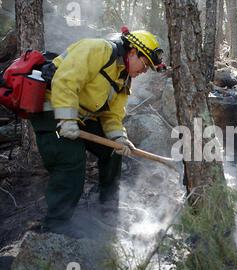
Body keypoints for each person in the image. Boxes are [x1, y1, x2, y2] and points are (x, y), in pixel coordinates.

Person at [30, 27, 165, 238]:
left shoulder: (124, 78)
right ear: (132, 52)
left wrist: (118, 138)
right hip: (52, 109)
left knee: (113, 151)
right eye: (145, 63)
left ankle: (108, 205)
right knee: (71, 159)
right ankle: (55, 224)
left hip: (80, 116)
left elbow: (112, 115)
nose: (144, 70)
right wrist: (66, 120)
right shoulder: (98, 50)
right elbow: (65, 81)